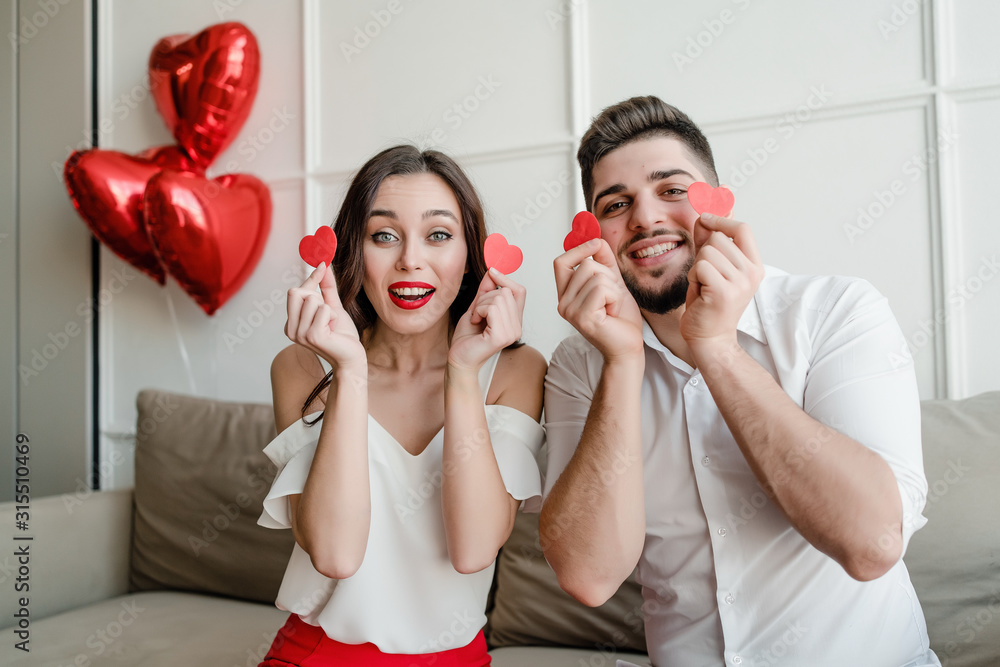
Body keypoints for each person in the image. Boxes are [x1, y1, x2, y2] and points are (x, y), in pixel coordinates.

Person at [540, 96, 939, 666]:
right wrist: (623, 364)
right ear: (592, 236)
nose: (646, 218)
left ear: (718, 203)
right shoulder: (580, 366)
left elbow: (871, 546)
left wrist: (717, 350)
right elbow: (588, 576)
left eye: (672, 190)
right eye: (617, 203)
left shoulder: (836, 312)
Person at [255, 145, 546, 666]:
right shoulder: (300, 368)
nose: (410, 258)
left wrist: (463, 371)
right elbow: (335, 555)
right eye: (383, 235)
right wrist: (349, 370)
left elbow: (474, 549)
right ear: (353, 251)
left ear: (470, 253)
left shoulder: (516, 371)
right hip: (316, 654)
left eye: (438, 235)